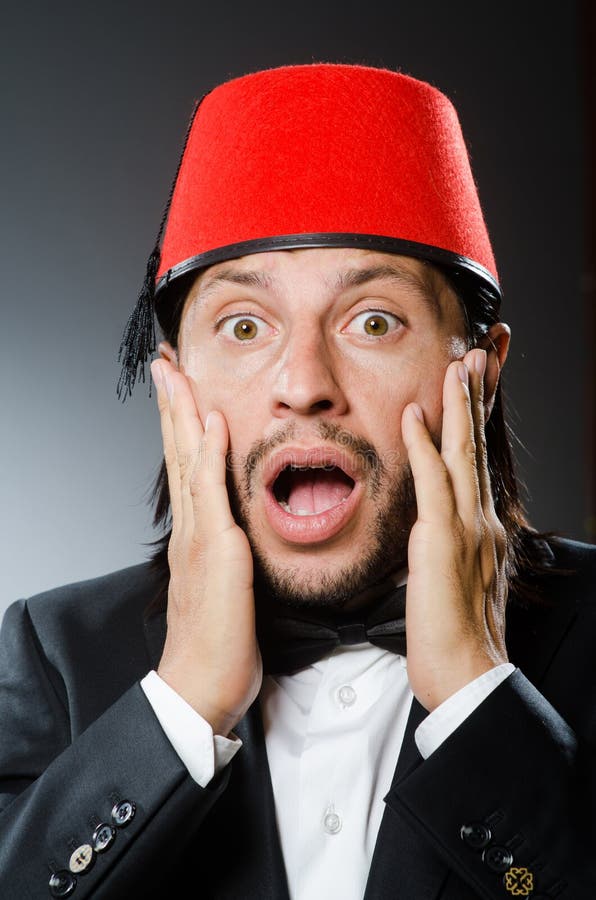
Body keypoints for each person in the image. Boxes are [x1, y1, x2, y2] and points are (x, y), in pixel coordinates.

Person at [1, 63, 594, 900]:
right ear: (175, 385)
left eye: (374, 322)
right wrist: (180, 706)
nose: (304, 381)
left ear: (481, 373)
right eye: (245, 326)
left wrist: (475, 691)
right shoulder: (53, 651)